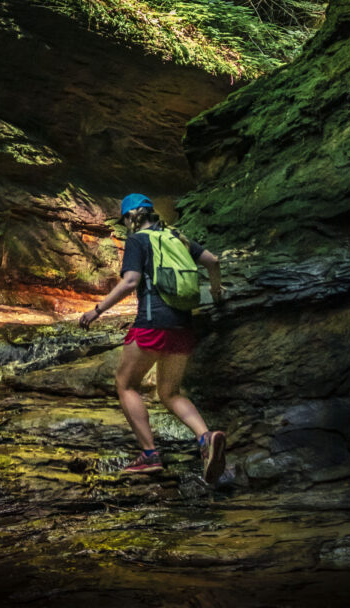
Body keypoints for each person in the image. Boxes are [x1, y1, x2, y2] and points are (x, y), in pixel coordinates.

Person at [79, 193, 227, 482]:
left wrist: (97, 310)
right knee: (170, 392)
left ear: (130, 217)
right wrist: (218, 293)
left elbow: (131, 281)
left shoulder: (137, 241)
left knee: (125, 385)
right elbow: (213, 261)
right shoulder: (176, 237)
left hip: (152, 324)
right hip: (183, 326)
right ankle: (206, 438)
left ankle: (149, 455)